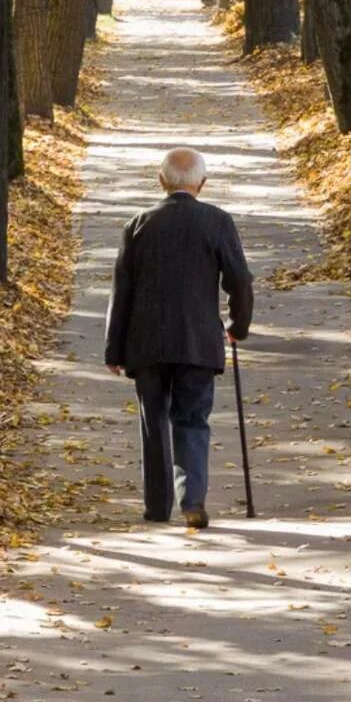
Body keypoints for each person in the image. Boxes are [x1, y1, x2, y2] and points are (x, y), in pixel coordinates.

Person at [104, 147, 254, 529]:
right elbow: (239, 281)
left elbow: (122, 290)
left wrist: (113, 348)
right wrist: (238, 326)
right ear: (202, 184)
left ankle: (157, 506)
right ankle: (193, 501)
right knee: (192, 419)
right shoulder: (218, 222)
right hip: (198, 340)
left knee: (153, 421)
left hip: (145, 341)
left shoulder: (138, 224)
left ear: (161, 181)